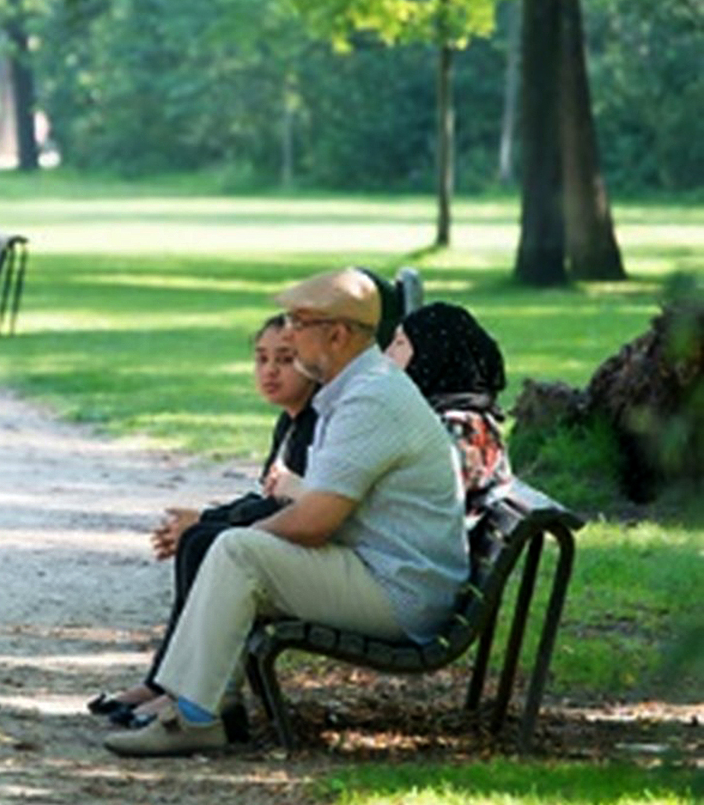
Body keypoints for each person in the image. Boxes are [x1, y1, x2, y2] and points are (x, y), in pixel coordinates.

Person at [104, 268, 468, 757]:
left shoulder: (372, 400)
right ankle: (193, 705)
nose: (289, 333)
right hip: (383, 570)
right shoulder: (354, 390)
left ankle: (196, 716)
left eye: (300, 322)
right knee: (235, 548)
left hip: (399, 593)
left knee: (237, 552)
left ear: (338, 334)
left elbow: (314, 522)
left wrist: (241, 534)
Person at [88, 315, 318, 731]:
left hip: (304, 554)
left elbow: (290, 506)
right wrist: (206, 519)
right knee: (199, 538)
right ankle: (162, 684)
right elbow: (267, 497)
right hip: (279, 541)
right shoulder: (290, 421)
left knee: (201, 539)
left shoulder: (317, 425)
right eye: (261, 359)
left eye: (286, 359)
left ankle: (178, 691)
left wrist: (207, 519)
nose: (269, 370)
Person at [385, 302, 513, 520]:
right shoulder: (459, 416)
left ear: (431, 355)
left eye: (399, 344)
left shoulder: (457, 428)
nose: (387, 354)